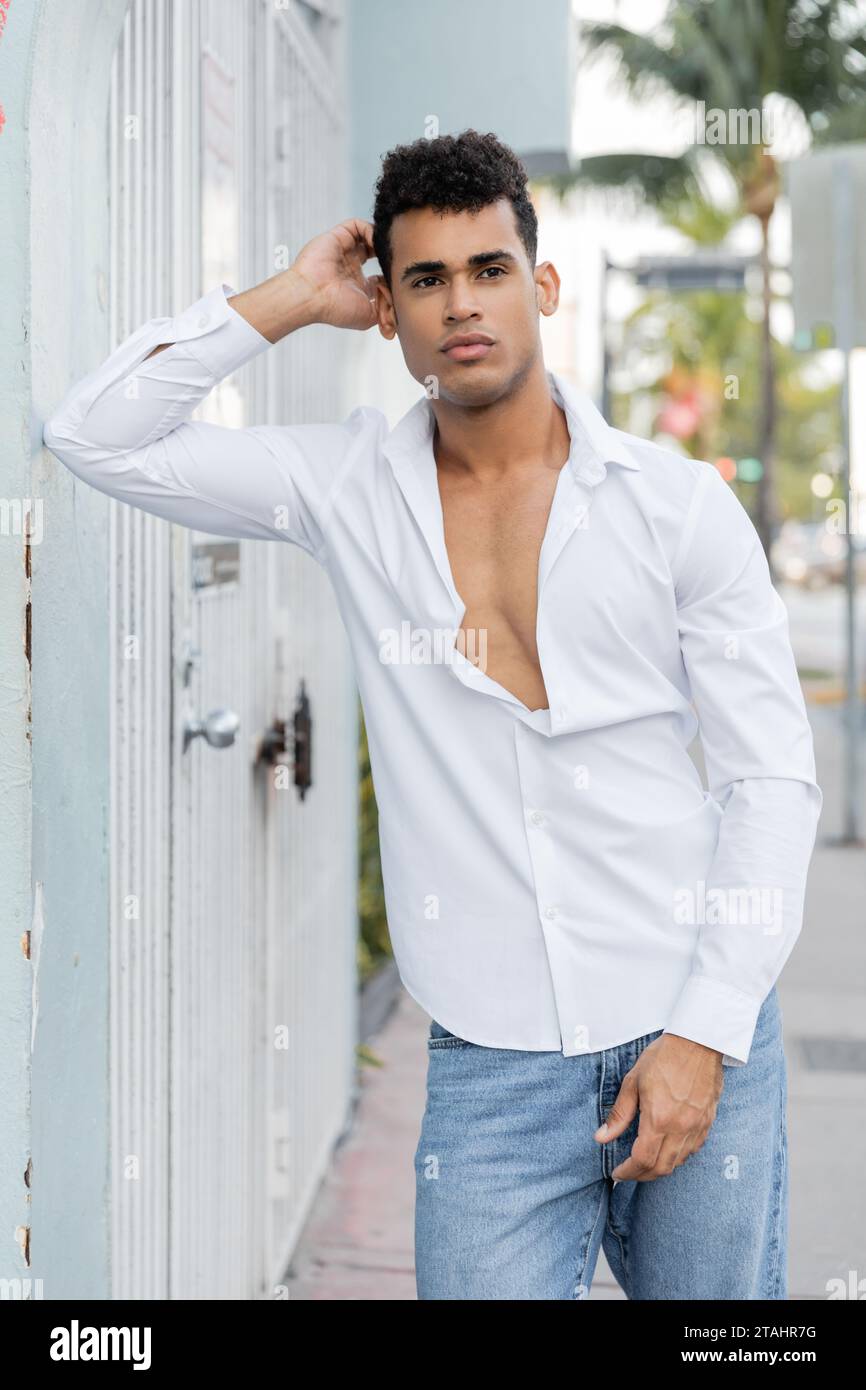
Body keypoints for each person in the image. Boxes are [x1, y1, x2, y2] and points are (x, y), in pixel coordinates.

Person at [43, 129, 822, 1300]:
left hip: (688, 1014)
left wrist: (706, 1031)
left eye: (488, 269)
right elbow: (94, 434)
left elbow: (770, 780)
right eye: (425, 279)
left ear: (540, 284)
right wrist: (292, 297)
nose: (462, 304)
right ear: (388, 313)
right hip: (492, 1066)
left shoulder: (673, 509)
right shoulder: (344, 487)